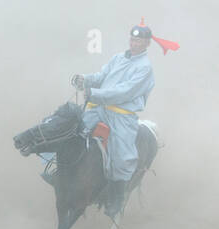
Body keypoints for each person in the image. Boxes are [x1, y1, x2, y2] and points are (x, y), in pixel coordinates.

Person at [68, 21, 177, 216]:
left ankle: (116, 200)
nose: (134, 44)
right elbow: (101, 76)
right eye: (133, 39)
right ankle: (60, 173)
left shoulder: (145, 68)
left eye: (139, 41)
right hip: (98, 107)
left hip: (121, 116)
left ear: (146, 44)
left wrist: (94, 93)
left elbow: (124, 92)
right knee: (73, 129)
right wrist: (84, 79)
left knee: (123, 157)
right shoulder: (118, 58)